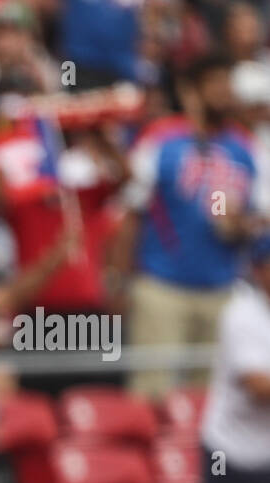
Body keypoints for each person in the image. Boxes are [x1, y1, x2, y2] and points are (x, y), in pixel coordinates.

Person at [114, 54, 267, 398]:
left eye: (227, 85)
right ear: (192, 91)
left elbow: (259, 216)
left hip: (223, 288)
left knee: (210, 395)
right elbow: (132, 211)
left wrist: (241, 222)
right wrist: (120, 279)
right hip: (162, 284)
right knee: (152, 393)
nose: (223, 93)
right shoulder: (163, 140)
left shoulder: (246, 148)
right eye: (214, 84)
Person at [201, 234, 270, 483]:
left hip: (266, 450)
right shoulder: (241, 313)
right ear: (258, 269)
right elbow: (258, 387)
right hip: (229, 452)